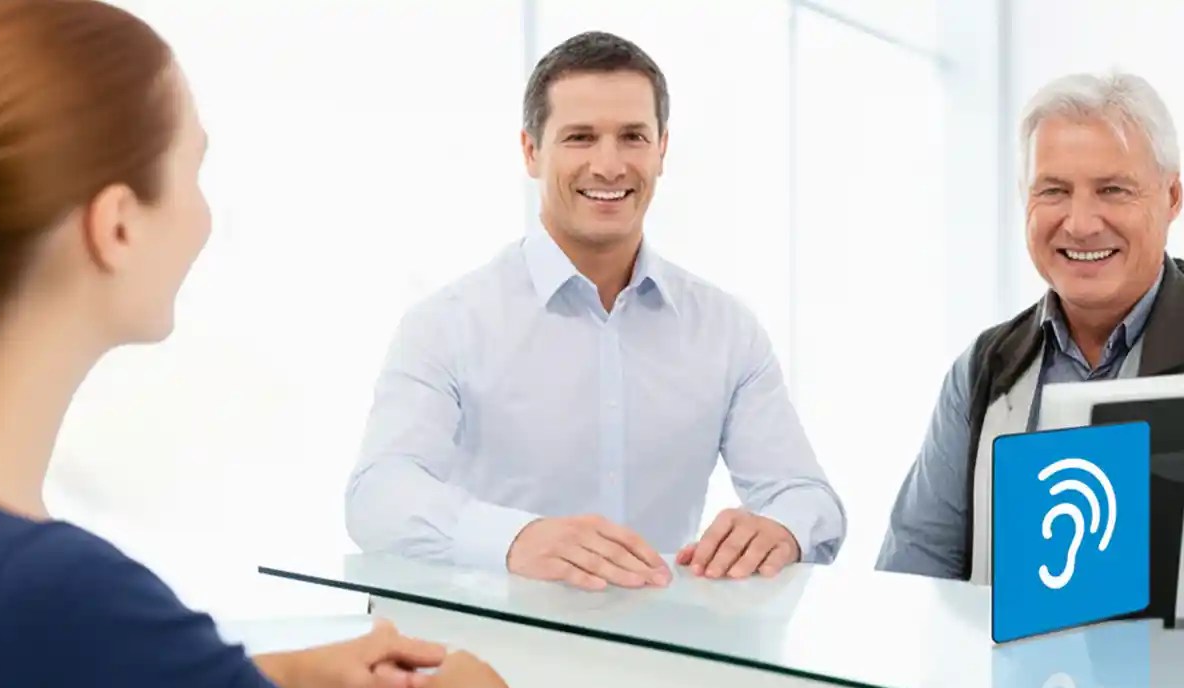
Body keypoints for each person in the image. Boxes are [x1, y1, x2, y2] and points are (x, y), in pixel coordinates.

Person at [0, 2, 519, 688]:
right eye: (193, 168)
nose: (203, 216)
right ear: (118, 226)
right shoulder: (50, 595)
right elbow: (64, 644)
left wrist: (247, 677)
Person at [345, 30, 846, 591]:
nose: (609, 166)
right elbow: (378, 496)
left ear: (661, 150)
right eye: (580, 138)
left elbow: (807, 497)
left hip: (670, 659)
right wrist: (516, 540)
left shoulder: (726, 330)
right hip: (486, 658)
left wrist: (780, 526)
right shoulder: (447, 323)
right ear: (532, 152)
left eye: (632, 137)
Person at [876, 71, 1184, 585]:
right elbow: (916, 572)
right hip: (1004, 667)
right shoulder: (983, 369)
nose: (1081, 222)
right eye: (1053, 191)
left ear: (1172, 197)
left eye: (1112, 190)